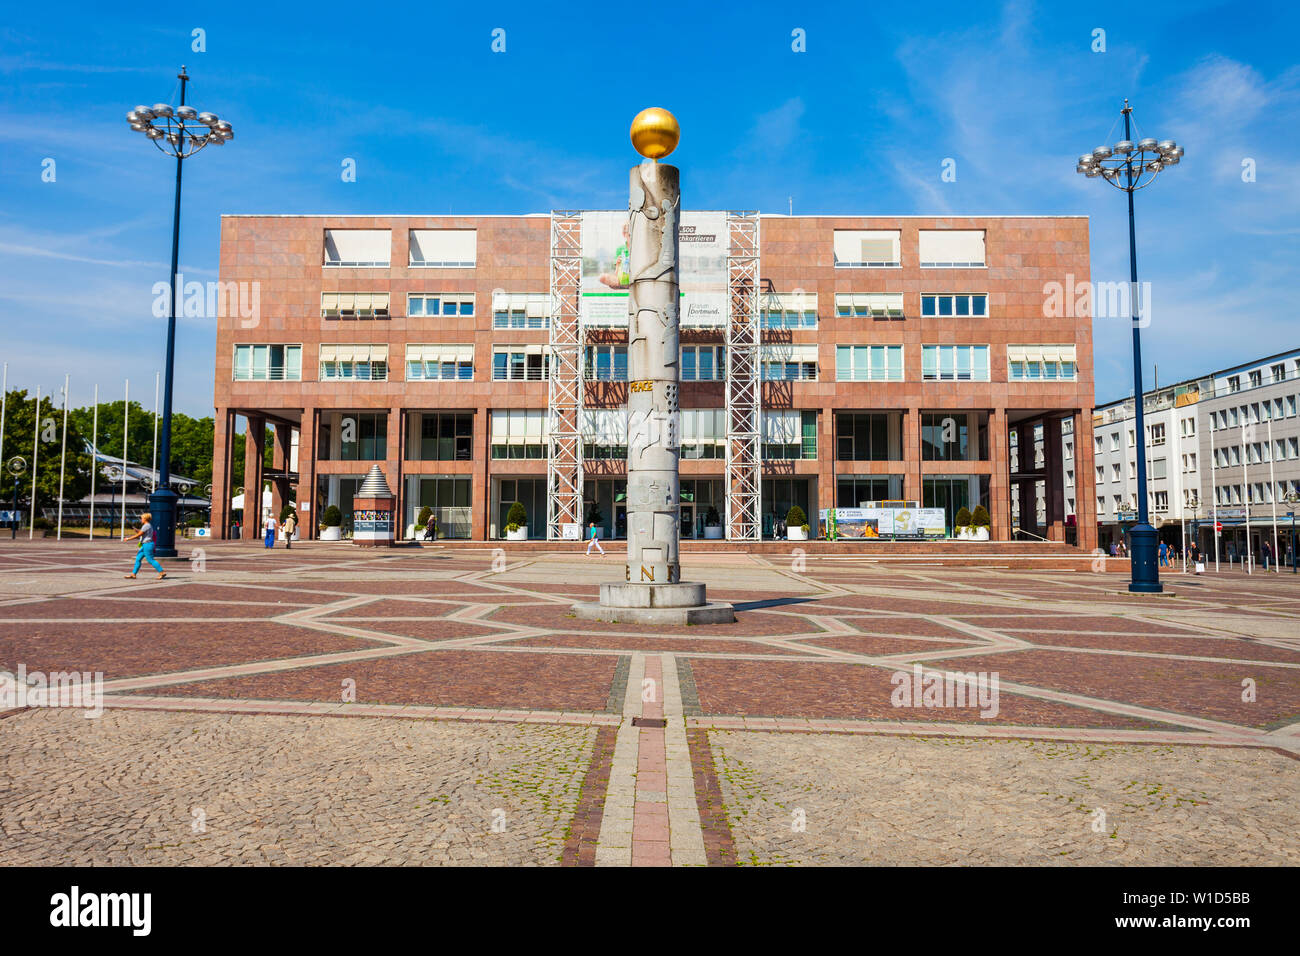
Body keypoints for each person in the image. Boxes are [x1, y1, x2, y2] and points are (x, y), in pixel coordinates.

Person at [123, 512, 166, 580]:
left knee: (150, 560)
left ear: (145, 519)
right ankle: (133, 574)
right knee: (138, 559)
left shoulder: (146, 525)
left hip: (147, 545)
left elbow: (139, 535)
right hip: (145, 545)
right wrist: (137, 530)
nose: (141, 519)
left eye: (142, 518)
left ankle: (162, 572)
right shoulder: (148, 525)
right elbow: (142, 533)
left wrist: (128, 538)